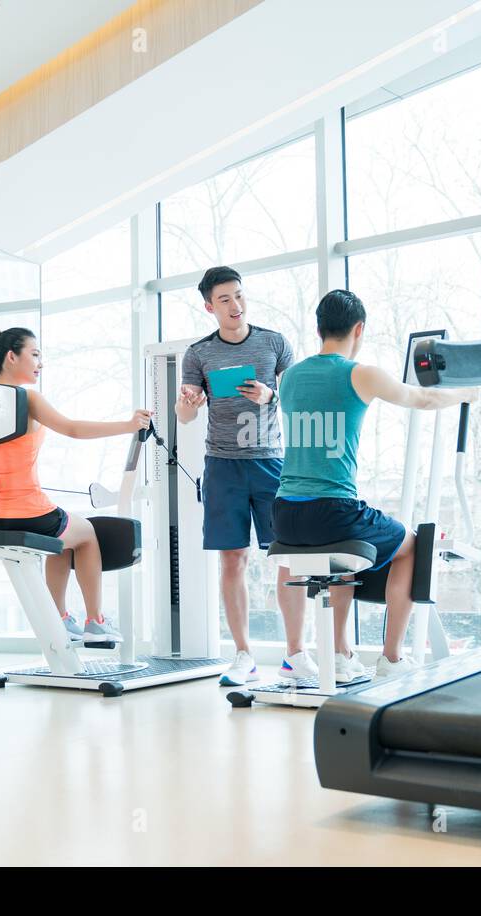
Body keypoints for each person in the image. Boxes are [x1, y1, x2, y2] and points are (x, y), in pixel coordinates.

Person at [272, 290, 478, 684]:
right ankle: (393, 658)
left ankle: (339, 654)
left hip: (285, 514)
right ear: (359, 329)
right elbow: (423, 398)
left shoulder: (290, 378)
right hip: (333, 511)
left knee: (341, 563)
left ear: (318, 328)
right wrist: (465, 394)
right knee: (414, 545)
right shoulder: (359, 373)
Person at [0, 328, 150, 640]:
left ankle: (61, 618)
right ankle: (95, 620)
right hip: (28, 513)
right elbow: (73, 429)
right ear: (12, 357)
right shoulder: (27, 399)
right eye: (35, 355)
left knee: (63, 538)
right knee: (87, 535)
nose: (40, 363)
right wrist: (128, 425)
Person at [176, 266, 302, 687]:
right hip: (223, 465)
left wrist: (272, 396)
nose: (235, 305)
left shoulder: (275, 343)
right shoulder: (199, 354)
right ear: (210, 307)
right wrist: (190, 403)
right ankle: (244, 654)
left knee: (287, 556)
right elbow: (186, 415)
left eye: (240, 295)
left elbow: (300, 398)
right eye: (225, 299)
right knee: (233, 558)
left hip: (271, 463)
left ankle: (295, 654)